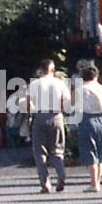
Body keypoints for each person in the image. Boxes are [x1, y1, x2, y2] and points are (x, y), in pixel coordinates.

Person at [28, 60, 71, 193]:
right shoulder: (60, 83)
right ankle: (61, 173)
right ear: (53, 70)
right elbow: (68, 103)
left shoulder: (34, 84)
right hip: (57, 115)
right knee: (57, 148)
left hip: (39, 116)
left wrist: (31, 116)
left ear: (41, 69)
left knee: (40, 151)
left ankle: (45, 184)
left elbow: (29, 104)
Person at [77, 65, 102, 193]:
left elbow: (71, 106)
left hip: (86, 119)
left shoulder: (79, 89)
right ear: (97, 76)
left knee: (90, 151)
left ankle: (93, 183)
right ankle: (97, 181)